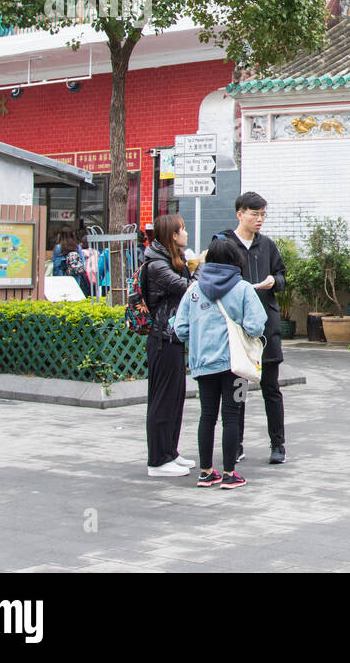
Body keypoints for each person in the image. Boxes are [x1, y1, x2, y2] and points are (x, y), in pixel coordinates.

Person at [173, 237, 266, 489]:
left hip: (203, 364)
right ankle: (229, 473)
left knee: (207, 415)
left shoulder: (193, 290)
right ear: (236, 260)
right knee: (232, 416)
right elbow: (257, 325)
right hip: (235, 365)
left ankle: (205, 472)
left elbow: (180, 329)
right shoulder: (243, 288)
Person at [212, 192, 288, 464]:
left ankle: (277, 444)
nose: (259, 220)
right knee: (237, 388)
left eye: (263, 215)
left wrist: (273, 280)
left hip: (266, 326)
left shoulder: (267, 245)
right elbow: (213, 278)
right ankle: (237, 443)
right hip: (236, 328)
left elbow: (282, 276)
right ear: (239, 213)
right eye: (255, 214)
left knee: (271, 387)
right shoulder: (223, 243)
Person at [142, 214, 195, 478]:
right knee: (162, 400)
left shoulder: (171, 260)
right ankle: (157, 460)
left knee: (175, 398)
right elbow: (187, 288)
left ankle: (170, 452)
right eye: (183, 229)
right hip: (162, 339)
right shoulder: (156, 265)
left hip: (174, 338)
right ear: (173, 235)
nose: (186, 233)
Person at [52, 227, 91, 297]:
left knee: (62, 295)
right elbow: (82, 262)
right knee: (74, 294)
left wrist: (55, 275)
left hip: (62, 274)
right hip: (75, 274)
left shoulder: (58, 247)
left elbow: (56, 264)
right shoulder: (77, 247)